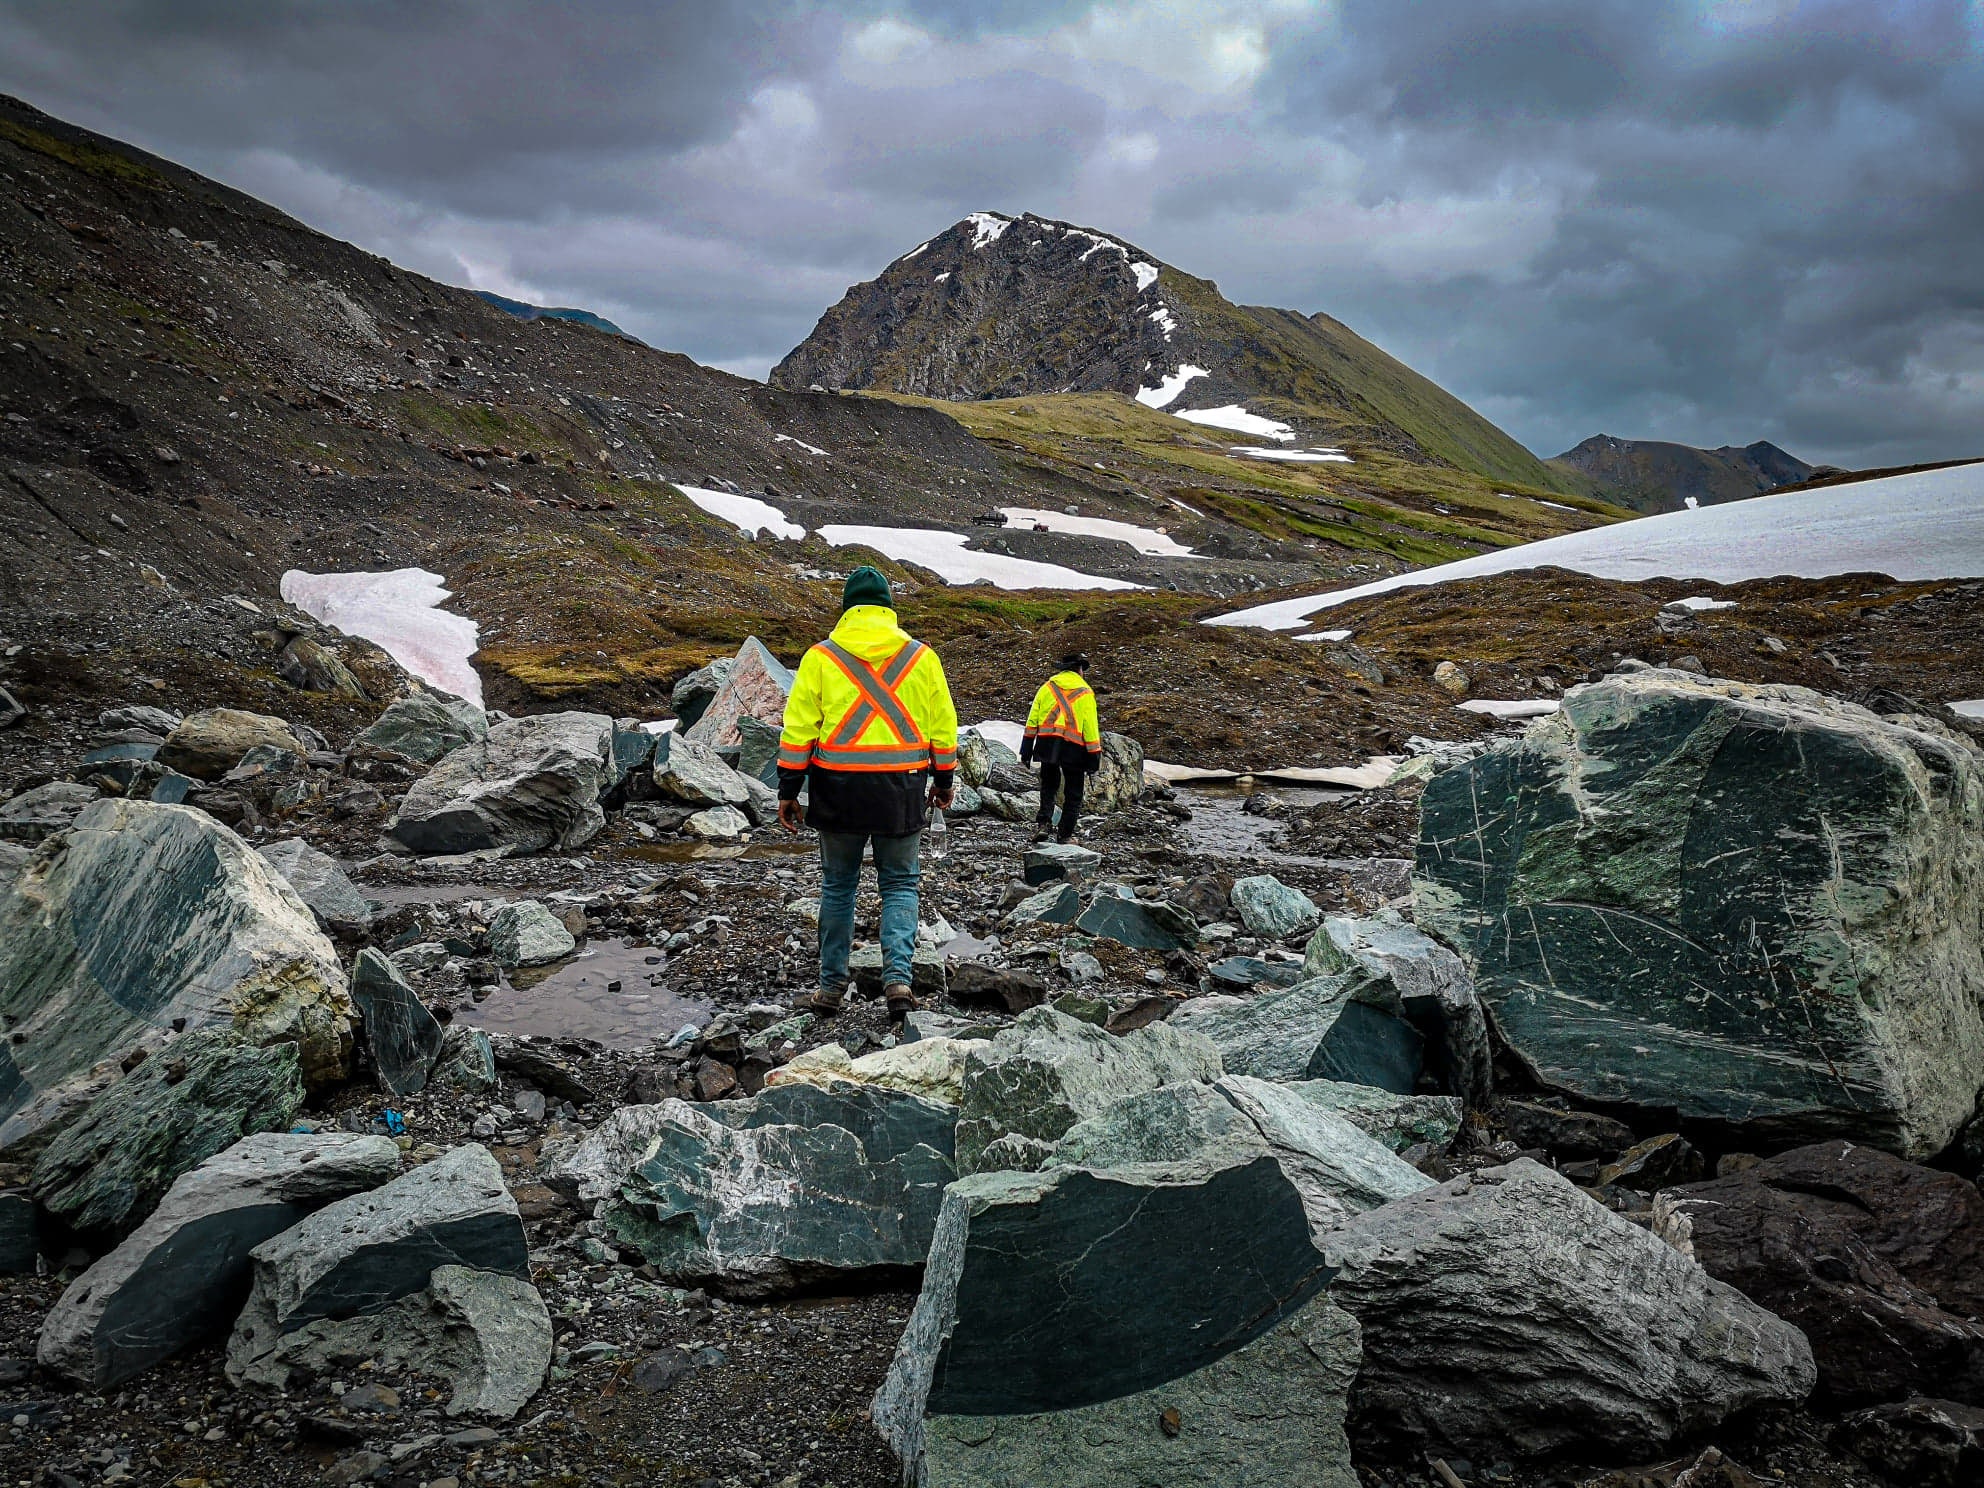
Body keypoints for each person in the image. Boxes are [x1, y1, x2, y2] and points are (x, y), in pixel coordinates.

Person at [776, 566, 957, 1020]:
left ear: (847, 610)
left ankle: (831, 987)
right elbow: (943, 726)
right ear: (888, 609)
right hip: (902, 788)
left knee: (838, 886)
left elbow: (799, 730)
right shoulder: (922, 658)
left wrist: (788, 789)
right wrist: (945, 780)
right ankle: (898, 980)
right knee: (899, 883)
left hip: (837, 789)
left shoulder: (821, 657)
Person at [1020, 651, 1102, 843]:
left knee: (1048, 785)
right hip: (1074, 748)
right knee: (1073, 793)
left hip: (1047, 742)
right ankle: (1065, 835)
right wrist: (1094, 758)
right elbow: (1091, 728)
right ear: (1080, 670)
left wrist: (1026, 748)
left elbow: (1032, 719)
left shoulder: (1047, 687)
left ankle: (1044, 824)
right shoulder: (1086, 692)